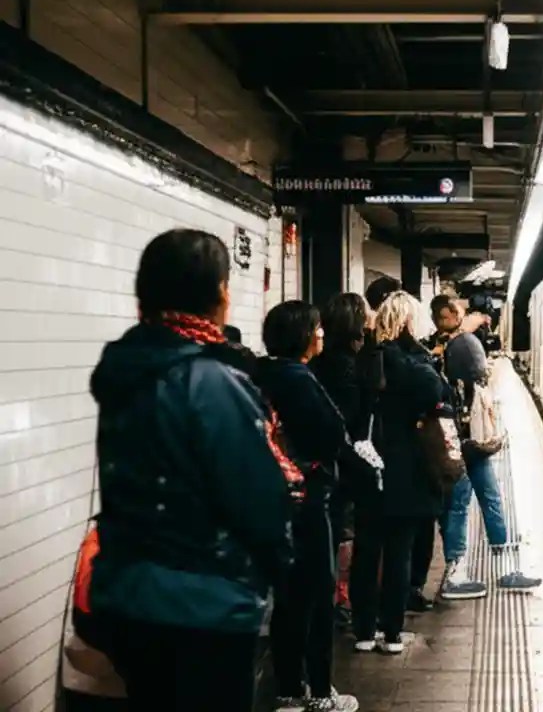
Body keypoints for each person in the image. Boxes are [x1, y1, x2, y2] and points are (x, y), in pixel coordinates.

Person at [88, 228, 294, 711]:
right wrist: (277, 567)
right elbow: (258, 499)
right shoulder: (210, 380)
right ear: (220, 293)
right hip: (203, 604)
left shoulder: (126, 370)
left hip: (128, 594)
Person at [255, 301, 361, 712]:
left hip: (278, 499)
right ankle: (319, 691)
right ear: (302, 335)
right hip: (309, 497)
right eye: (316, 329)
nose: (321, 335)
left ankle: (287, 688)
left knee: (288, 597)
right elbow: (331, 433)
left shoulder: (264, 374)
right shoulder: (298, 377)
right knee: (317, 594)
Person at [349, 291, 450, 654]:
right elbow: (438, 395)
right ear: (409, 322)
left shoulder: (363, 359)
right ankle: (391, 632)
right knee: (398, 553)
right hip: (406, 469)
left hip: (366, 466)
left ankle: (363, 631)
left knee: (366, 551)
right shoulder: (414, 363)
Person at [431, 295, 542, 600]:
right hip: (469, 441)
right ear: (449, 315)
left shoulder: (438, 349)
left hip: (459, 440)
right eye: (457, 311)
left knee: (462, 504)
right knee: (482, 500)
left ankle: (458, 570)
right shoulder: (462, 345)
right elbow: (481, 375)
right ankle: (500, 570)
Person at [310, 293, 385, 626]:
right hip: (347, 462)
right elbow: (354, 416)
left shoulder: (321, 361)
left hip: (330, 461)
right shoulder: (348, 365)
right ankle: (341, 601)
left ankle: (335, 599)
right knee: (348, 532)